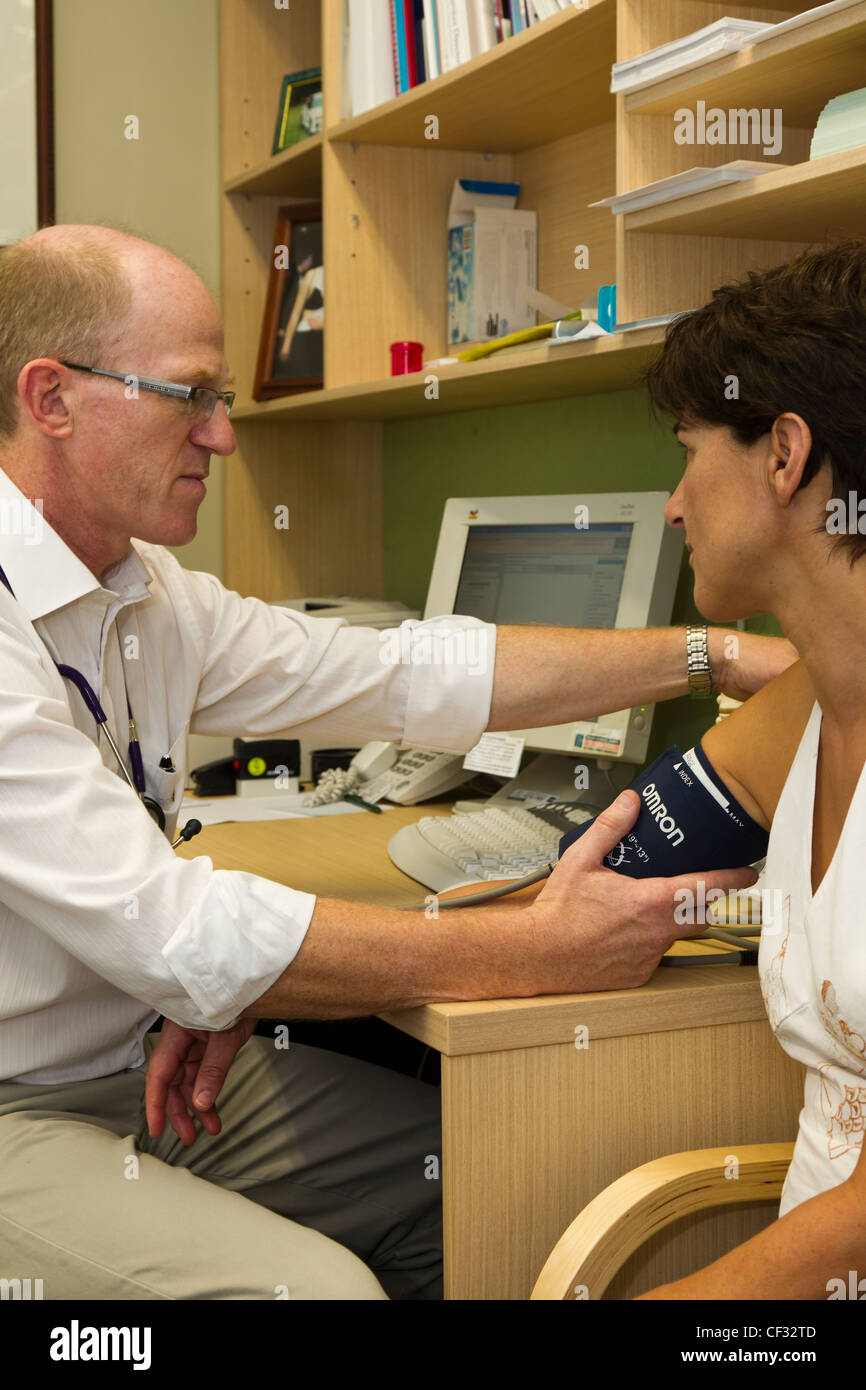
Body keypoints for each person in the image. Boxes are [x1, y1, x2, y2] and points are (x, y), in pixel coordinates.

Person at [0, 224, 793, 1302]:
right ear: (52, 399)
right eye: (190, 395)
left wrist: (707, 652)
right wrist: (529, 947)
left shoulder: (148, 593)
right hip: (15, 1108)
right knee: (321, 1292)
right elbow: (177, 929)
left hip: (136, 1061)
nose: (223, 436)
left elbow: (409, 673)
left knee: (475, 1175)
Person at [635, 237, 866, 1299]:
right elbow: (615, 860)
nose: (673, 505)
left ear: (782, 454)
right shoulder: (799, 715)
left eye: (687, 452)